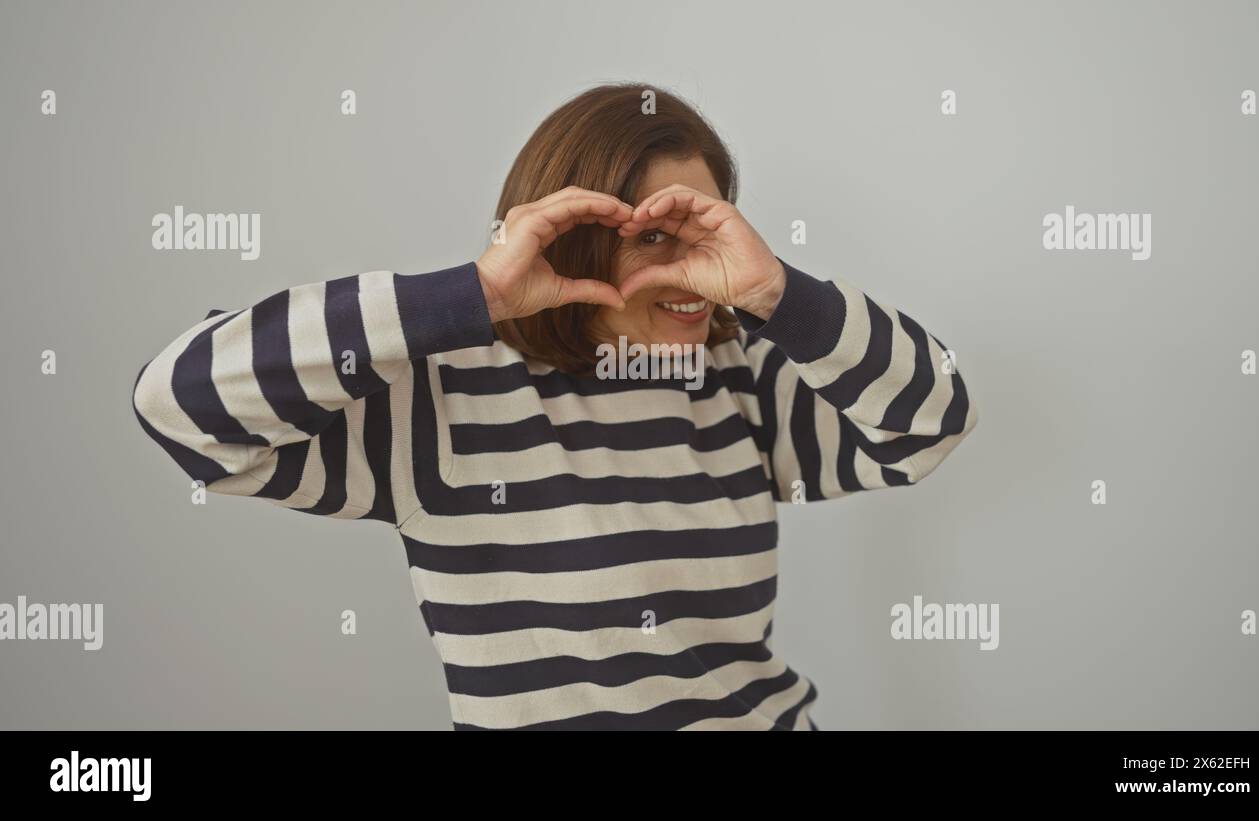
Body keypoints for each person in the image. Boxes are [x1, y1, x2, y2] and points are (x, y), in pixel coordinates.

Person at [132, 83, 978, 730]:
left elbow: (930, 418)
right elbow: (183, 406)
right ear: (571, 242)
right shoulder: (443, 397)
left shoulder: (740, 375)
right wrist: (470, 292)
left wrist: (776, 292)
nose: (692, 274)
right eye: (653, 239)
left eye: (707, 233)